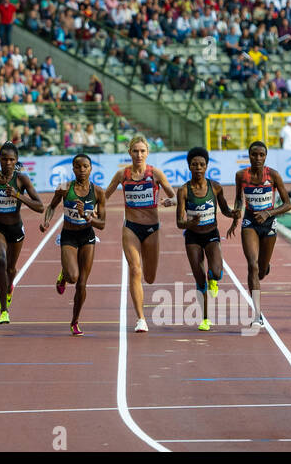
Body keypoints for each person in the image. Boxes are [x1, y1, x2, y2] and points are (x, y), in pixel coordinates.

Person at [105, 135, 176, 333]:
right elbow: (105, 195)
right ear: (129, 152)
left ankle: (143, 297)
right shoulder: (122, 175)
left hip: (152, 228)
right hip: (131, 228)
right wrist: (93, 209)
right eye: (135, 151)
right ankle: (141, 318)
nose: (139, 154)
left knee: (150, 277)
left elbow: (175, 196)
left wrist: (174, 201)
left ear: (147, 153)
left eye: (142, 151)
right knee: (135, 270)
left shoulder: (156, 174)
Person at [226, 141, 291, 328]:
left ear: (266, 156)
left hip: (269, 223)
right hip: (250, 223)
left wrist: (268, 213)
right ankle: (257, 314)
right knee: (252, 265)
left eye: (261, 155)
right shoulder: (241, 175)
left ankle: (265, 267)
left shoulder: (273, 175)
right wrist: (235, 216)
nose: (257, 158)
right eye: (254, 154)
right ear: (249, 156)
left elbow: (288, 204)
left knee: (261, 270)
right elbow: (239, 198)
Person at [0, 143, 44, 324]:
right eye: (4, 159)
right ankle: (3, 309)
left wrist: (18, 196)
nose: (7, 162)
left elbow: (40, 206)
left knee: (11, 269)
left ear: (16, 161)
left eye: (11, 159)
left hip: (15, 228)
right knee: (1, 259)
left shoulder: (22, 180)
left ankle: (9, 288)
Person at [41, 153, 106, 335]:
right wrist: (46, 221)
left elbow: (102, 224)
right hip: (69, 235)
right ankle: (64, 274)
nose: (82, 170)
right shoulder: (64, 188)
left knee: (82, 284)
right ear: (73, 169)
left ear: (91, 168)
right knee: (73, 277)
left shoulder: (98, 192)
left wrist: (87, 216)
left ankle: (75, 321)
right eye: (78, 166)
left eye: (85, 166)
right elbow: (52, 206)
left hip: (87, 236)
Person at [176, 147, 234, 331]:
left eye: (201, 164)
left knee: (215, 272)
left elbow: (224, 209)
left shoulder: (215, 187)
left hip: (211, 234)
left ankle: (213, 279)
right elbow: (179, 222)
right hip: (192, 236)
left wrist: (233, 214)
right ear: (189, 166)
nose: (198, 168)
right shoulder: (184, 190)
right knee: (199, 279)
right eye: (194, 164)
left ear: (207, 166)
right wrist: (190, 223)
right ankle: (205, 318)